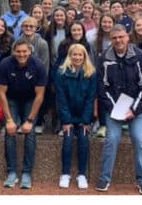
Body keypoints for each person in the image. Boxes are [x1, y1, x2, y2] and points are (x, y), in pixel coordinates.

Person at [95, 23, 142, 195]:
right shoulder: (104, 58)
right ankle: (104, 178)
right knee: (111, 139)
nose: (118, 40)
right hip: (113, 108)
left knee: (139, 139)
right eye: (114, 38)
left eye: (121, 37)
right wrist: (115, 110)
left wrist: (133, 110)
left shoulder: (141, 56)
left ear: (127, 37)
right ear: (110, 40)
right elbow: (102, 88)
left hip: (136, 108)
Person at [0, 38, 46, 189]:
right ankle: (11, 172)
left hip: (31, 99)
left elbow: (40, 95)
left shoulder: (38, 65)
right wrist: (9, 119)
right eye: (18, 51)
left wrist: (30, 120)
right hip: (11, 98)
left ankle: (26, 172)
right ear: (13, 52)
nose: (21, 54)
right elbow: (1, 93)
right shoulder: (5, 64)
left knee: (29, 132)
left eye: (25, 51)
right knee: (10, 130)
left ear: (30, 51)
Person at [55, 43, 95, 189]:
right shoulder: (61, 72)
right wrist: (66, 121)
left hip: (83, 117)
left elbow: (90, 99)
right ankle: (65, 173)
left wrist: (86, 121)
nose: (77, 57)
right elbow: (61, 98)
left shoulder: (91, 73)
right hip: (68, 116)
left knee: (84, 140)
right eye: (74, 54)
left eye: (80, 55)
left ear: (84, 57)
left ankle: (82, 174)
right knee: (68, 140)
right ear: (69, 56)